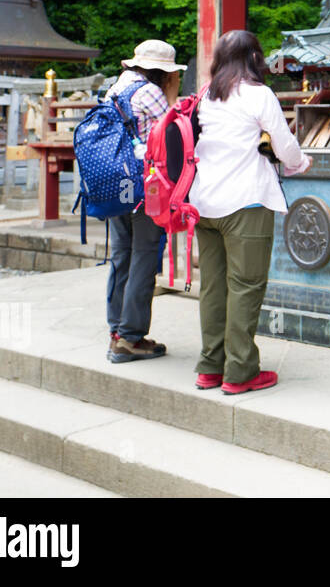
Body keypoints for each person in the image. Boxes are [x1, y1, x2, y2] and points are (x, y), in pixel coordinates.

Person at [189, 29, 311, 394]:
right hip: (245, 202)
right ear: (255, 59)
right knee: (245, 286)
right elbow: (285, 144)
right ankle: (240, 372)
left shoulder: (208, 96)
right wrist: (301, 163)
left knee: (213, 286)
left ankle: (210, 367)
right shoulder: (260, 95)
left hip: (205, 202)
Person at [105, 39, 184, 363]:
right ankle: (131, 337)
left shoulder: (113, 89)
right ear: (161, 72)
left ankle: (117, 330)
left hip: (114, 183)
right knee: (144, 254)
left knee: (122, 253)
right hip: (143, 186)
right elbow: (174, 130)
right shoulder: (150, 92)